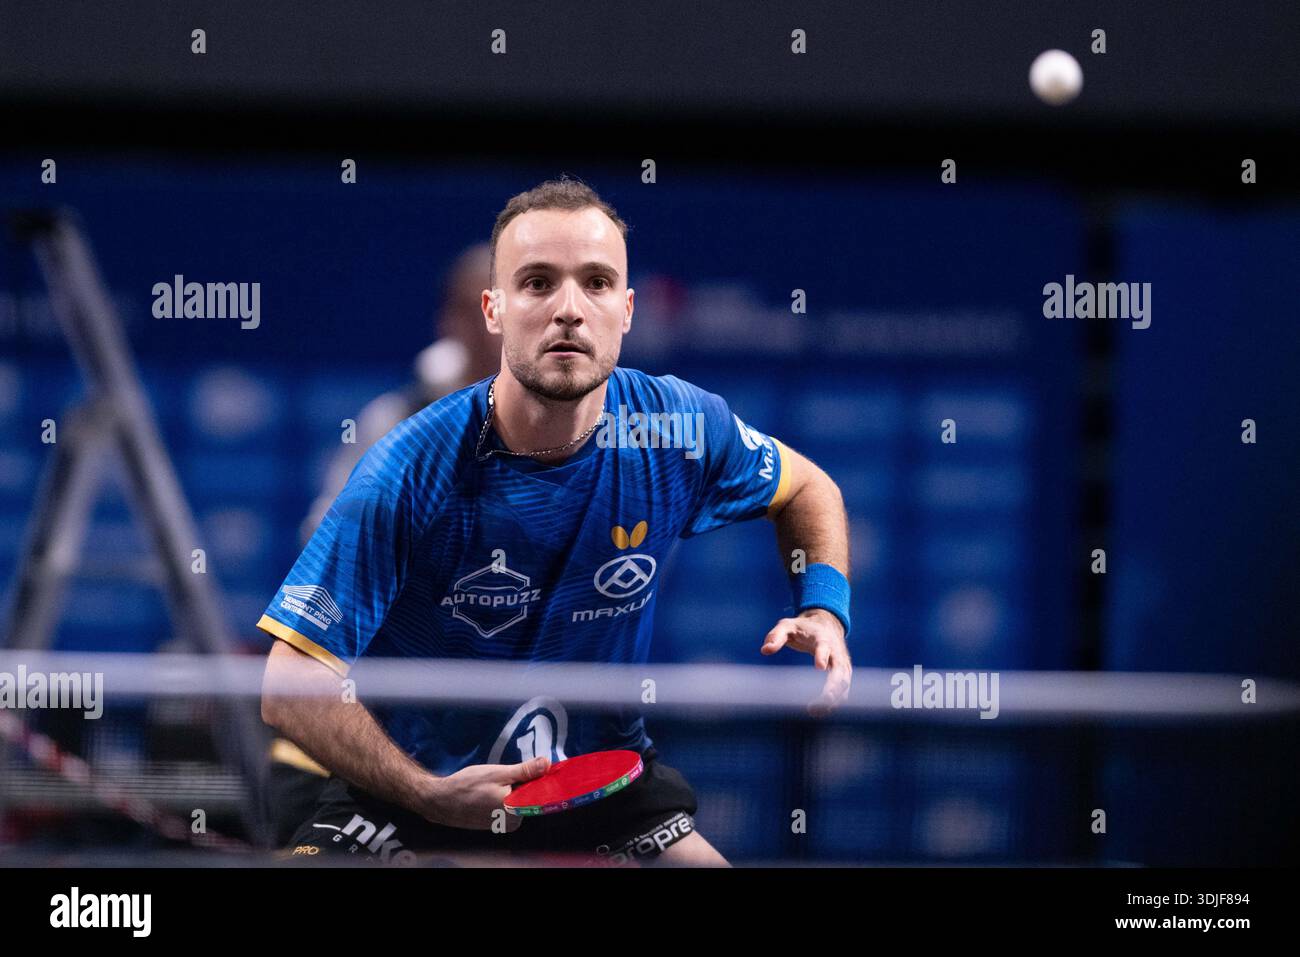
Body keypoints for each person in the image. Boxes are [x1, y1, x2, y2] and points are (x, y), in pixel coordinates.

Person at [258, 177, 852, 866]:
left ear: (626, 309)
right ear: (494, 309)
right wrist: (426, 791)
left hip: (601, 778)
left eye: (596, 283)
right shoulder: (410, 464)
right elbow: (287, 682)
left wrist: (824, 604)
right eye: (538, 283)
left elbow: (808, 485)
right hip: (415, 790)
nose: (569, 309)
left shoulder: (678, 428)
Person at [261, 245, 499, 846]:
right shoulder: (397, 421)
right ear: (455, 322)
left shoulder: (578, 442)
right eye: (478, 312)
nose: (494, 328)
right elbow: (323, 553)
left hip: (476, 743)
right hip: (350, 747)